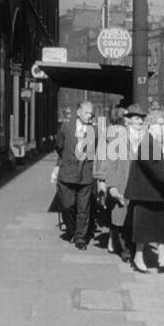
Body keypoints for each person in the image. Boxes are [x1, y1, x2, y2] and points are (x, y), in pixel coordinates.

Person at [123, 105, 164, 274]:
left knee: (159, 227)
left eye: (163, 125)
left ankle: (162, 258)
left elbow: (162, 164)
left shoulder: (152, 141)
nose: (162, 128)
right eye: (159, 125)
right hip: (145, 193)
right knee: (143, 228)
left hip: (152, 192)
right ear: (151, 125)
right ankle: (139, 257)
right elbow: (154, 169)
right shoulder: (148, 142)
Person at [52, 100, 96, 249]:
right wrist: (64, 161)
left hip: (85, 175)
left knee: (83, 208)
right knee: (67, 205)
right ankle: (72, 230)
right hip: (67, 173)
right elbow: (59, 146)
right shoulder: (66, 127)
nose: (90, 116)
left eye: (91, 113)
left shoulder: (94, 131)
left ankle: (80, 238)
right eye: (86, 112)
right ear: (78, 112)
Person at [97, 107, 132, 261]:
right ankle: (124, 249)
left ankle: (113, 240)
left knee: (115, 210)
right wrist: (106, 182)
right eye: (127, 116)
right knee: (119, 210)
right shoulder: (117, 132)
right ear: (121, 118)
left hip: (115, 177)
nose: (130, 118)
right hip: (117, 177)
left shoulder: (117, 131)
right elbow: (105, 158)